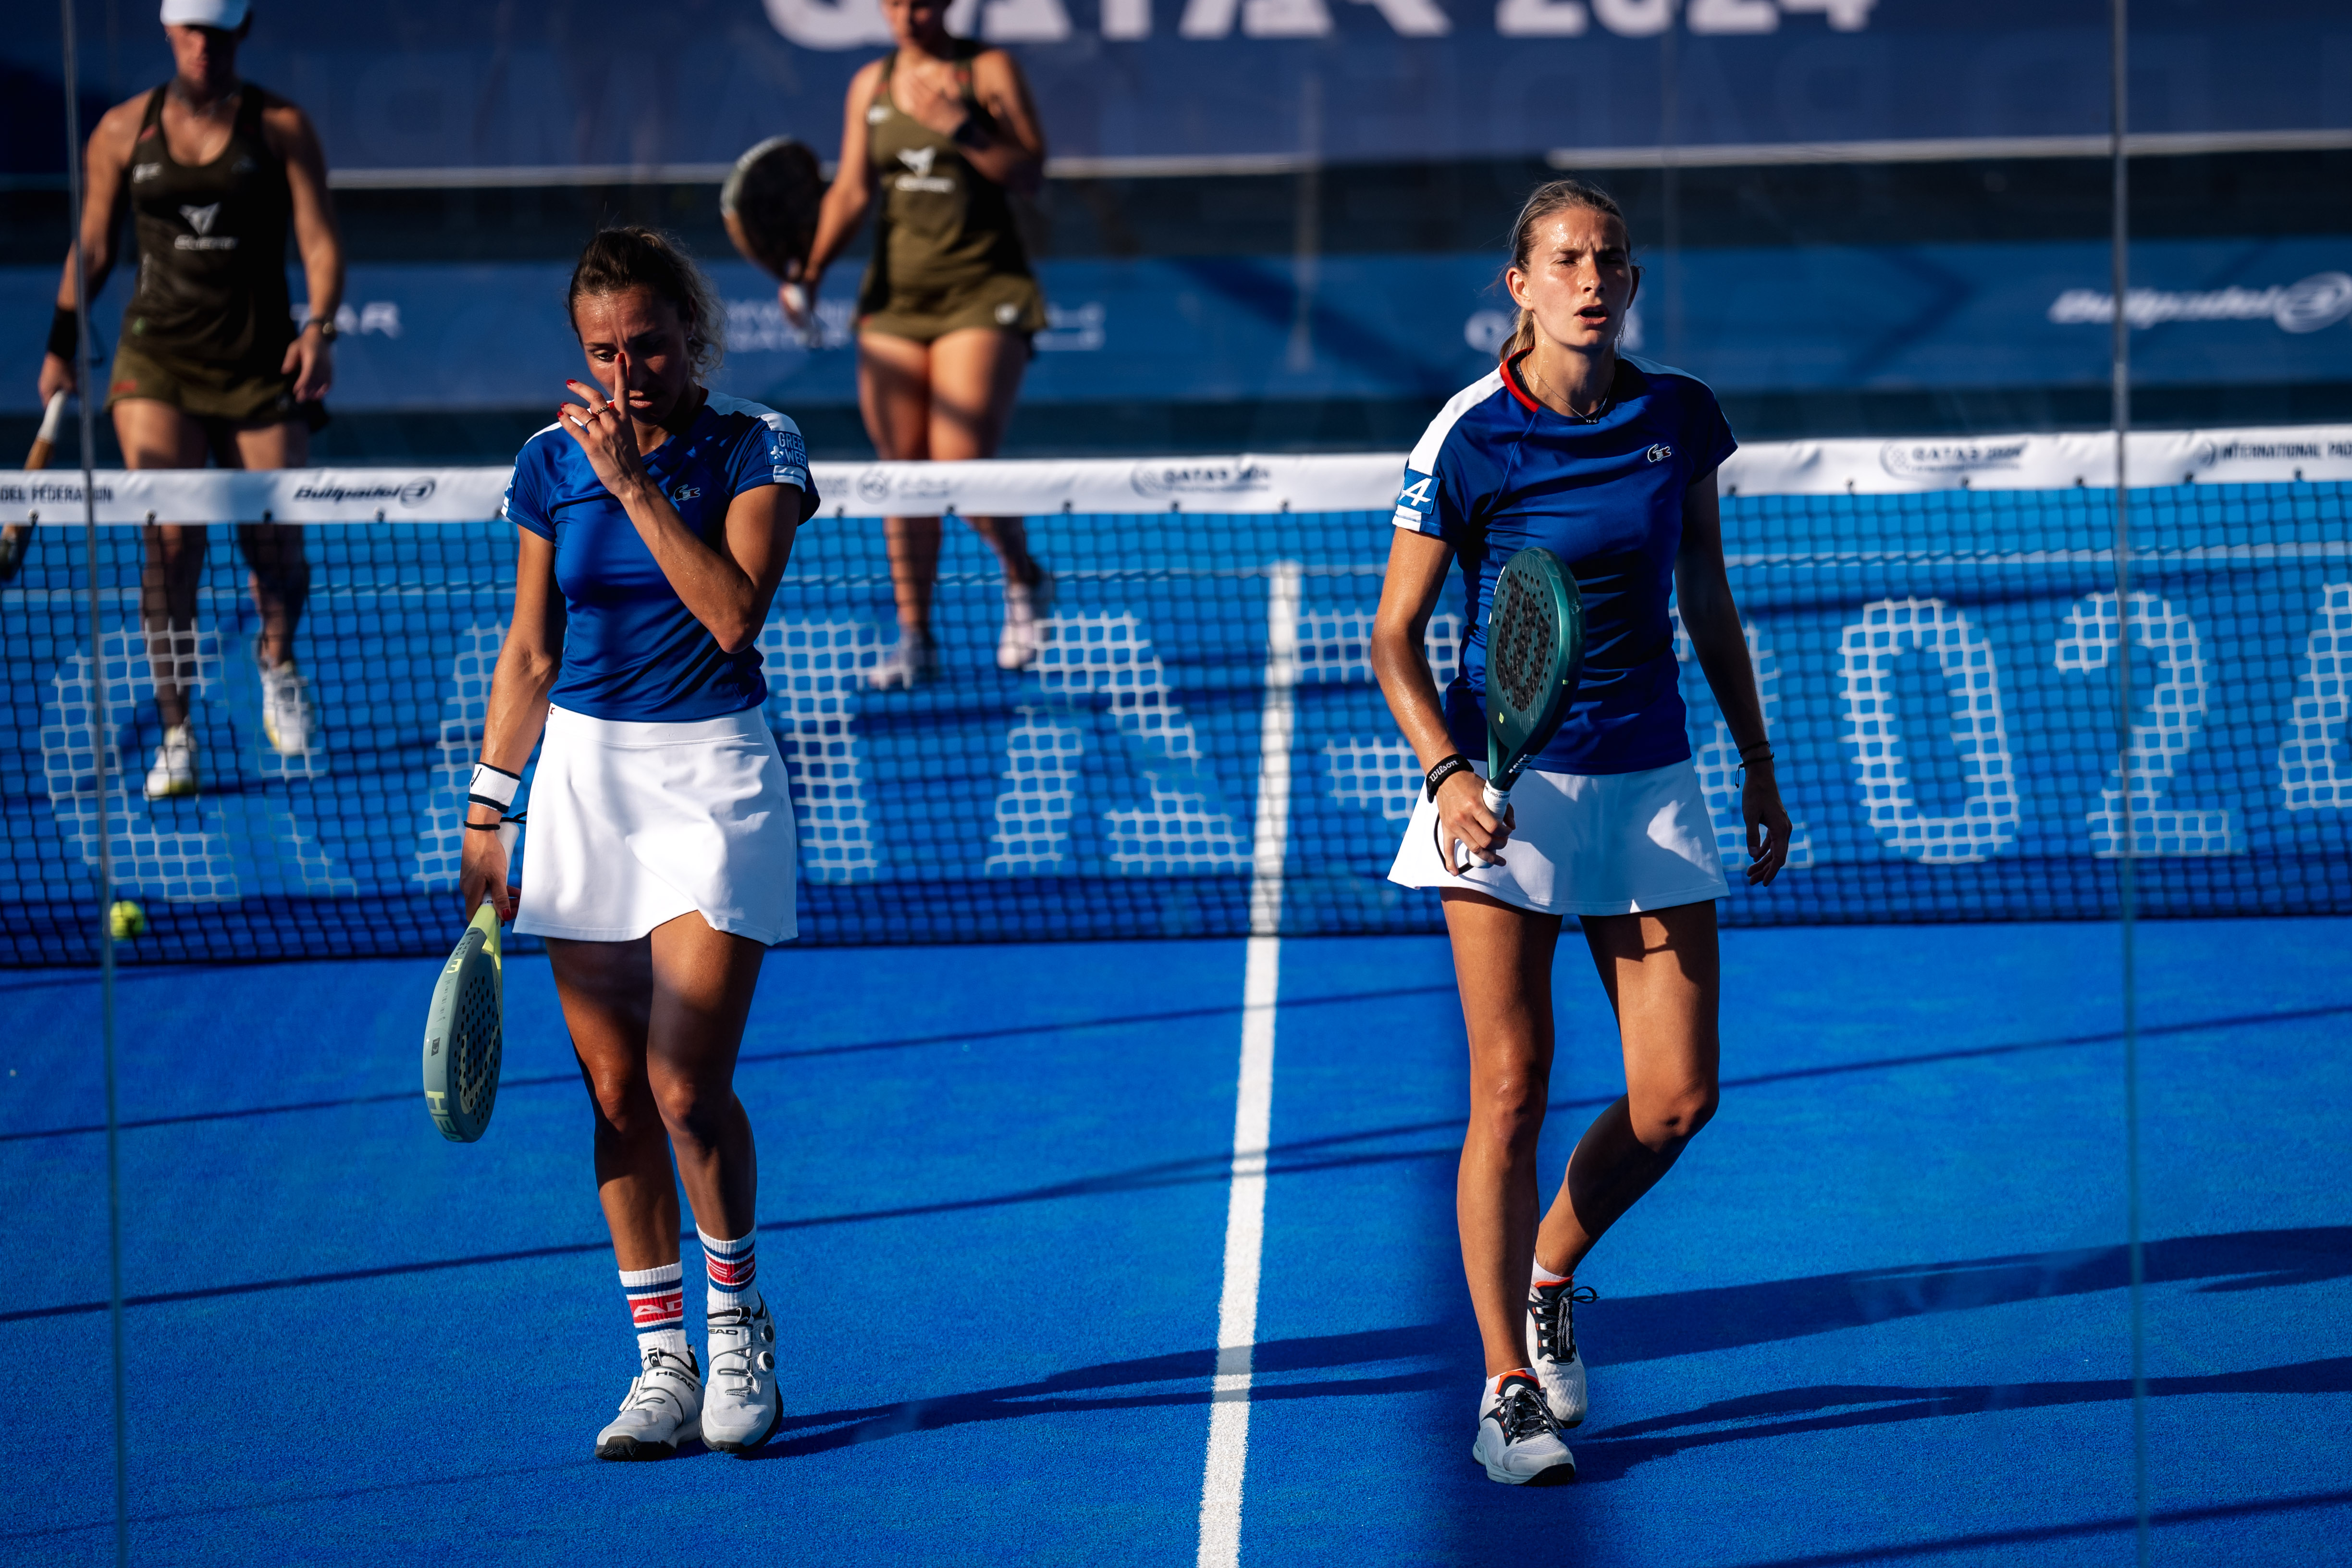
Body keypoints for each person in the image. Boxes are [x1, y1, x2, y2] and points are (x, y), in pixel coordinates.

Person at [1371, 179, 1792, 1486]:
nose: (1592, 279)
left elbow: (1707, 595)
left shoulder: (1680, 418)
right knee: (1510, 1090)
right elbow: (1390, 637)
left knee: (1677, 1101)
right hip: (1506, 794)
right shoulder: (1469, 437)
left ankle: (1552, 1271)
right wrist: (1445, 772)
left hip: (1652, 778)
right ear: (1521, 284)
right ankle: (1505, 1388)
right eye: (1566, 260)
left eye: (1611, 259)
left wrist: (1757, 764)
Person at [461, 227, 817, 1461]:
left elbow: (729, 615)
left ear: (692, 337)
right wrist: (487, 806)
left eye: (651, 348)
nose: (628, 376)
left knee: (686, 1089)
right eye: (604, 353)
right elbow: (528, 652)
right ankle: (660, 1362)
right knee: (615, 1095)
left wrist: (631, 485)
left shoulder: (757, 448)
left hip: (714, 785)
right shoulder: (545, 464)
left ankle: (737, 1334)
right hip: (585, 786)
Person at [37, 0, 343, 798]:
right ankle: (176, 731)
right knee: (170, 544)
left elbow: (318, 239)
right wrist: (63, 343)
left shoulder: (280, 126)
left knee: (275, 549)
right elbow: (96, 244)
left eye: (217, 31)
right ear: (169, 32)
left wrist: (321, 329)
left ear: (239, 32)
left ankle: (276, 661)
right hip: (156, 363)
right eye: (190, 31)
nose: (203, 46)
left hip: (259, 365)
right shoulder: (119, 132)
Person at [790, 0, 1052, 689]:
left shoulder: (989, 71)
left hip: (983, 291)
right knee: (902, 473)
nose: (910, 15)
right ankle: (917, 638)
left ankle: (1024, 578)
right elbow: (851, 189)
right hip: (893, 304)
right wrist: (809, 273)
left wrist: (962, 128)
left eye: (924, 1)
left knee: (961, 466)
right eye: (896, 3)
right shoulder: (869, 86)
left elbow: (1030, 173)